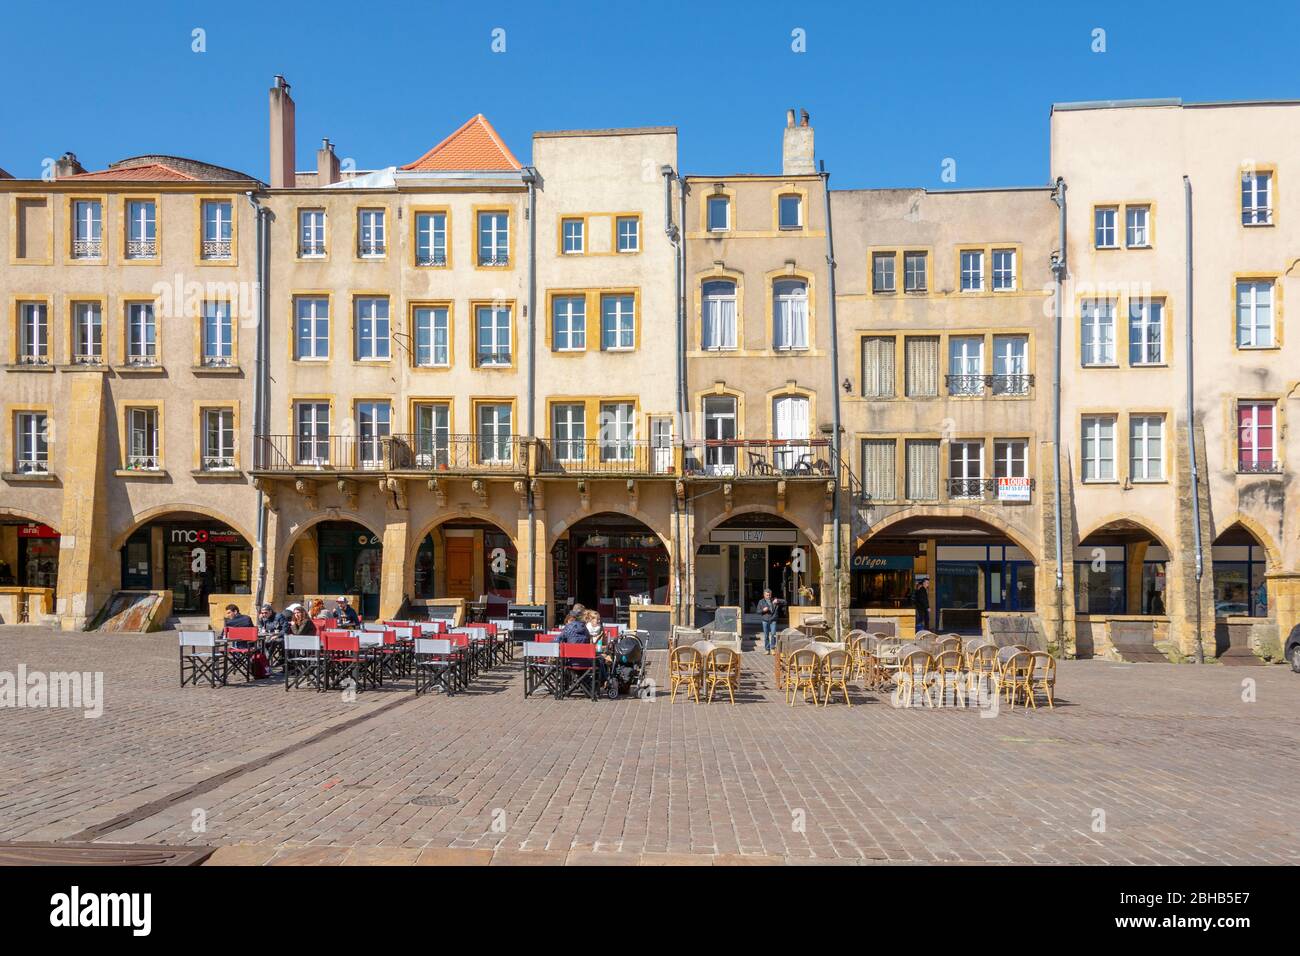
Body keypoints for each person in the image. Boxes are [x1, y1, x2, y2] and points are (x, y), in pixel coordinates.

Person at [757, 588, 780, 655]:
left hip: (773, 620)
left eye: (769, 595)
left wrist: (777, 600)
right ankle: (767, 649)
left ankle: (772, 648)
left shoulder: (774, 600)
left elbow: (785, 602)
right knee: (766, 635)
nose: (768, 596)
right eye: (767, 595)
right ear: (764, 595)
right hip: (765, 620)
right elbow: (758, 611)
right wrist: (763, 610)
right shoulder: (761, 602)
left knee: (773, 634)